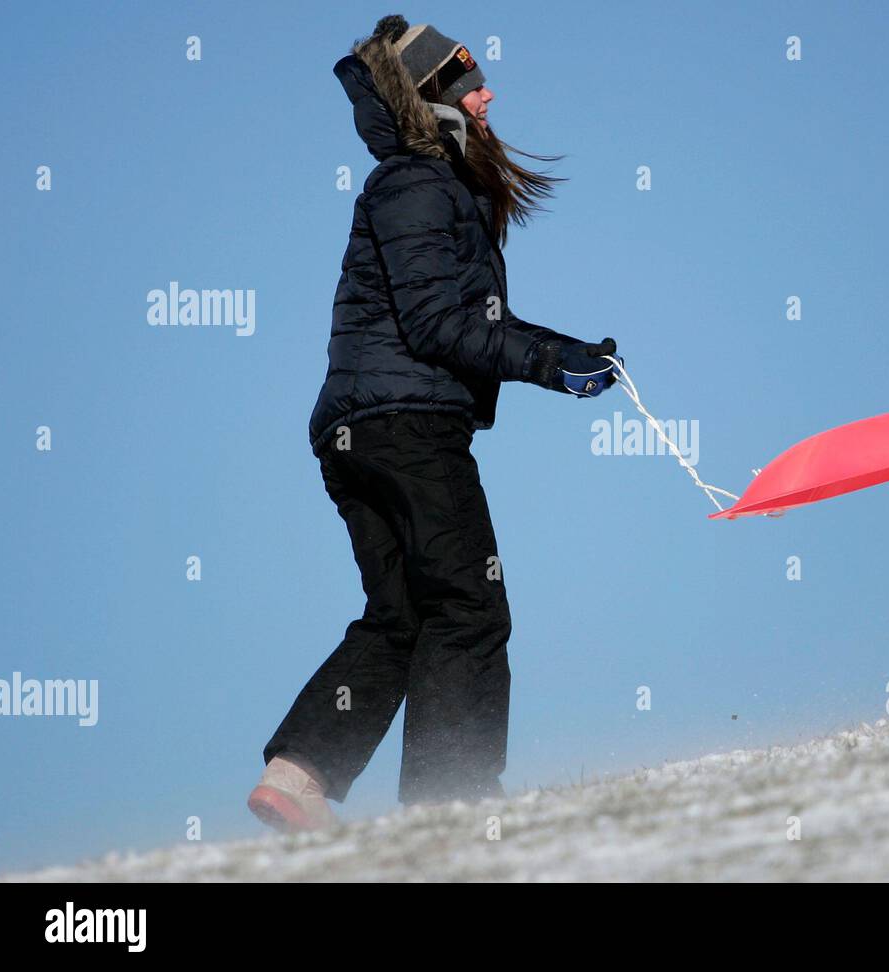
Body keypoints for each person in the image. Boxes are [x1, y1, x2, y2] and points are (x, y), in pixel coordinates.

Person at [248, 14, 620, 832]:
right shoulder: (419, 183)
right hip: (406, 426)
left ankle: (299, 776)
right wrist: (556, 361)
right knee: (469, 608)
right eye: (469, 81)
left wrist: (560, 353)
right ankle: (448, 810)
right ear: (435, 101)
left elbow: (451, 316)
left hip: (360, 431)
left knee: (404, 614)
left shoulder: (421, 182)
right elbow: (439, 324)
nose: (489, 94)